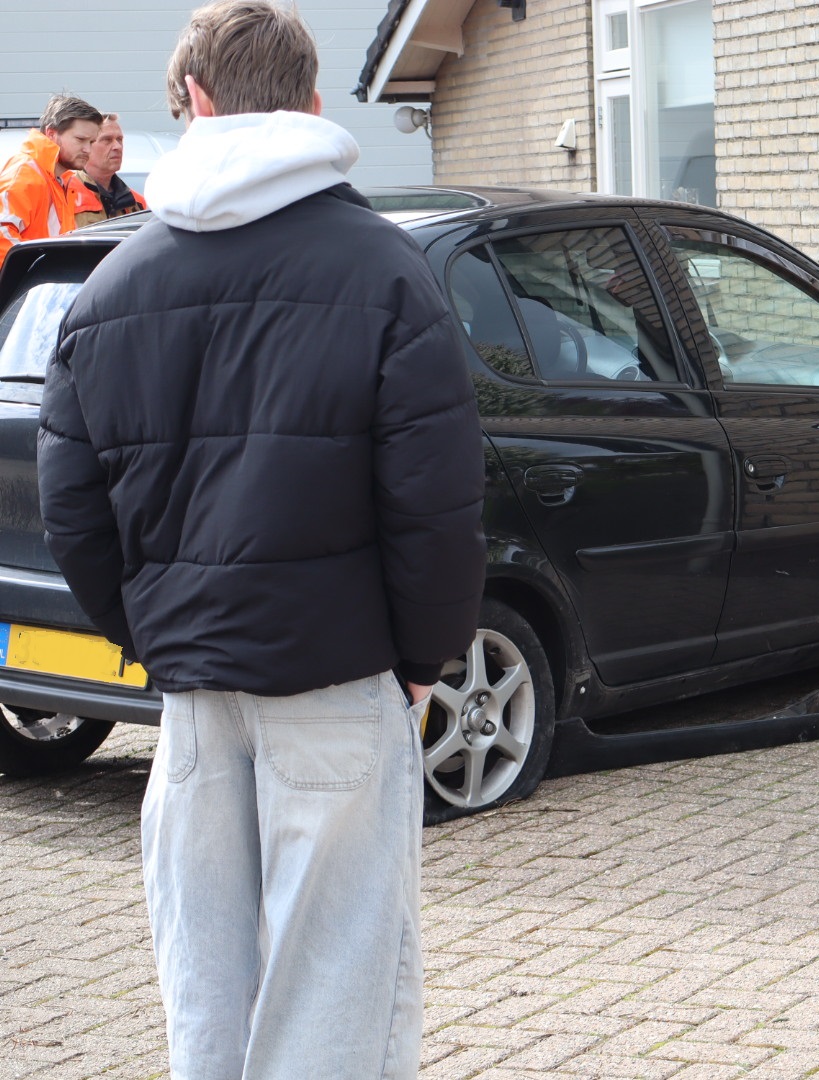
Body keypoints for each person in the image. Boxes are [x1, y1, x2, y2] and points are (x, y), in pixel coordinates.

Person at [36, 2, 485, 1076]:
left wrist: (156, 634)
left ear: (193, 101)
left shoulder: (110, 287)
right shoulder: (385, 274)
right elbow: (435, 502)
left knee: (208, 978)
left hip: (196, 693)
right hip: (339, 678)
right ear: (316, 102)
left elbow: (72, 510)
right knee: (338, 975)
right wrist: (423, 659)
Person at [0, 95, 102, 257]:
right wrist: (32, 269)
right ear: (51, 134)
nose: (87, 149)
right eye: (80, 139)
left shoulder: (60, 179)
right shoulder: (26, 173)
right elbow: (2, 236)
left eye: (91, 142)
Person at [65, 113, 147, 226]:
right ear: (86, 146)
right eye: (107, 140)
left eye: (119, 139)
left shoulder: (136, 203)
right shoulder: (64, 194)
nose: (117, 146)